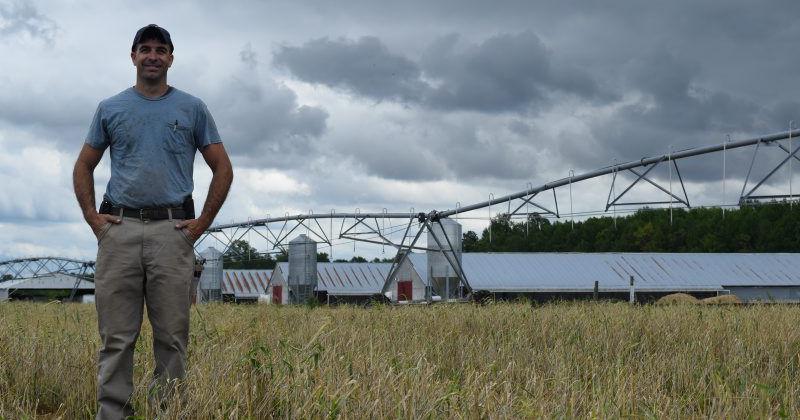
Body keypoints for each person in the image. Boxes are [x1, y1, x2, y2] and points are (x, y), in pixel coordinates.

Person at [72, 24, 233, 419]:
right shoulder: (110, 108)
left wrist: (201, 224)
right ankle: (113, 414)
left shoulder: (192, 108)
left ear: (171, 59)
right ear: (133, 56)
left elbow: (223, 168)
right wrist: (94, 219)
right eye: (145, 49)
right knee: (116, 339)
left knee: (172, 339)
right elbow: (83, 165)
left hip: (172, 233)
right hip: (119, 231)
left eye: (161, 50)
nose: (152, 56)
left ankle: (168, 413)